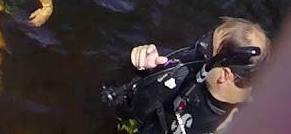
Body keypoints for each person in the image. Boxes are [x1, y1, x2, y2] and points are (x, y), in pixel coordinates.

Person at [108, 17, 269, 134]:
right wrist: (146, 62)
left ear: (224, 76)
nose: (196, 56)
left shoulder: (239, 123)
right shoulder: (196, 70)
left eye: (205, 54)